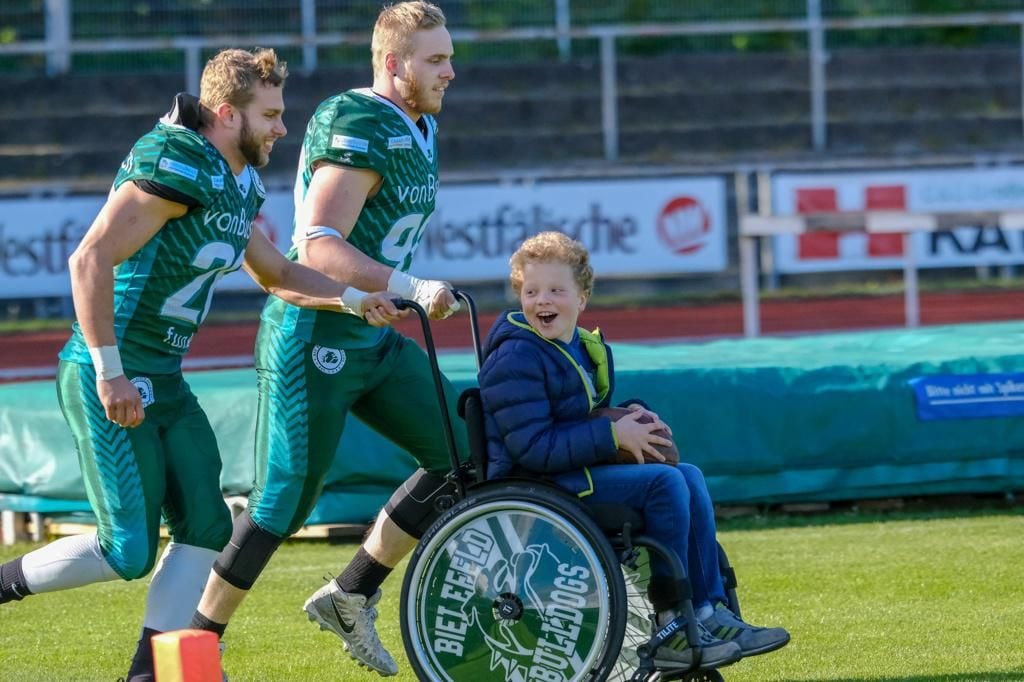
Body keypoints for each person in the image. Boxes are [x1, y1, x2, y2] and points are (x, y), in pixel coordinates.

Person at [0, 47, 402, 682]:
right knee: (127, 551)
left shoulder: (235, 177)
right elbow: (89, 260)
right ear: (225, 113)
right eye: (269, 114)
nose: (281, 128)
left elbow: (276, 272)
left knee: (208, 525)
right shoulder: (179, 161)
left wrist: (355, 299)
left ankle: (148, 676)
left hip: (164, 376)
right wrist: (109, 370)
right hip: (113, 368)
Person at [188, 2, 463, 676]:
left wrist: (396, 291)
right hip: (316, 336)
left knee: (464, 450)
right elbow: (318, 243)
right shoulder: (359, 119)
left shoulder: (419, 122)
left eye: (450, 56)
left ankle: (351, 593)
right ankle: (190, 646)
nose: (450, 72)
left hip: (371, 337)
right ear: (393, 63)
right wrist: (411, 284)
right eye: (436, 59)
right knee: (282, 502)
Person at [477, 231, 790, 672]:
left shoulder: (575, 348)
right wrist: (612, 437)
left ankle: (706, 612)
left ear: (581, 298)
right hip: (538, 488)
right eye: (531, 291)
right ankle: (671, 623)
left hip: (568, 473)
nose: (541, 300)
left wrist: (635, 418)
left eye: (555, 290)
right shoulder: (516, 358)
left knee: (688, 474)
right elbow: (532, 448)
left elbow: (584, 415)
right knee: (663, 483)